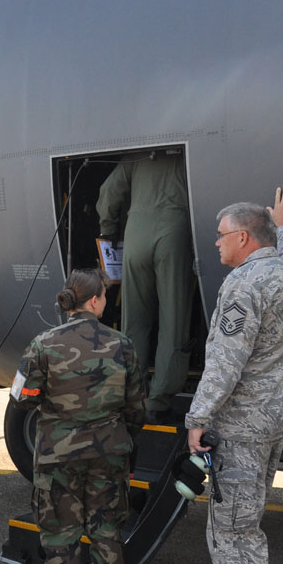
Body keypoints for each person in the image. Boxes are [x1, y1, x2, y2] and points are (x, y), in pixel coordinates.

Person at [185, 185, 283, 564]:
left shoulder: (244, 285)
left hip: (239, 427)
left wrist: (197, 419)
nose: (215, 243)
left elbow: (225, 362)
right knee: (248, 521)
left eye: (220, 236)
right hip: (274, 419)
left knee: (232, 532)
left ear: (242, 238)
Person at [10, 268, 146, 564]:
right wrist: (118, 434)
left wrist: (52, 406)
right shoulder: (124, 344)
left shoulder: (44, 343)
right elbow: (137, 408)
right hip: (109, 452)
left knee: (61, 531)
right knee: (105, 528)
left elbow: (21, 398)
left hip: (59, 454)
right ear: (96, 300)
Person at [96, 150, 196, 422]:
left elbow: (108, 191)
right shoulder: (185, 155)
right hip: (175, 229)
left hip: (136, 232)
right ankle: (158, 399)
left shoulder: (136, 155)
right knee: (173, 319)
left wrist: (108, 229)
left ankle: (131, 393)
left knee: (134, 321)